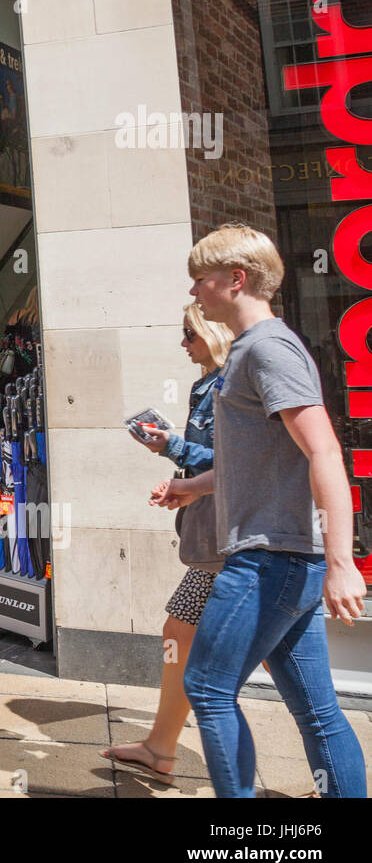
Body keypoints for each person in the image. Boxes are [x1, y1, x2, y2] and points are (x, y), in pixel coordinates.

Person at [151, 223, 366, 798]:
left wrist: (343, 561)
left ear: (235, 281)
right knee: (316, 712)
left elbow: (323, 449)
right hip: (284, 559)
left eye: (201, 280)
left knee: (208, 688)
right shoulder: (252, 350)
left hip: (268, 560)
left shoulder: (267, 348)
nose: (194, 293)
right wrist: (194, 486)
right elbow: (265, 460)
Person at [102, 302, 232, 782]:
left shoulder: (231, 383)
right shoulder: (207, 384)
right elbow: (217, 468)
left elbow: (234, 461)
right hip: (212, 540)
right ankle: (160, 746)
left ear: (213, 334)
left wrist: (171, 447)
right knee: (178, 633)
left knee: (274, 670)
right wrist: (186, 488)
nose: (182, 344)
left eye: (189, 335)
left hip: (235, 545)